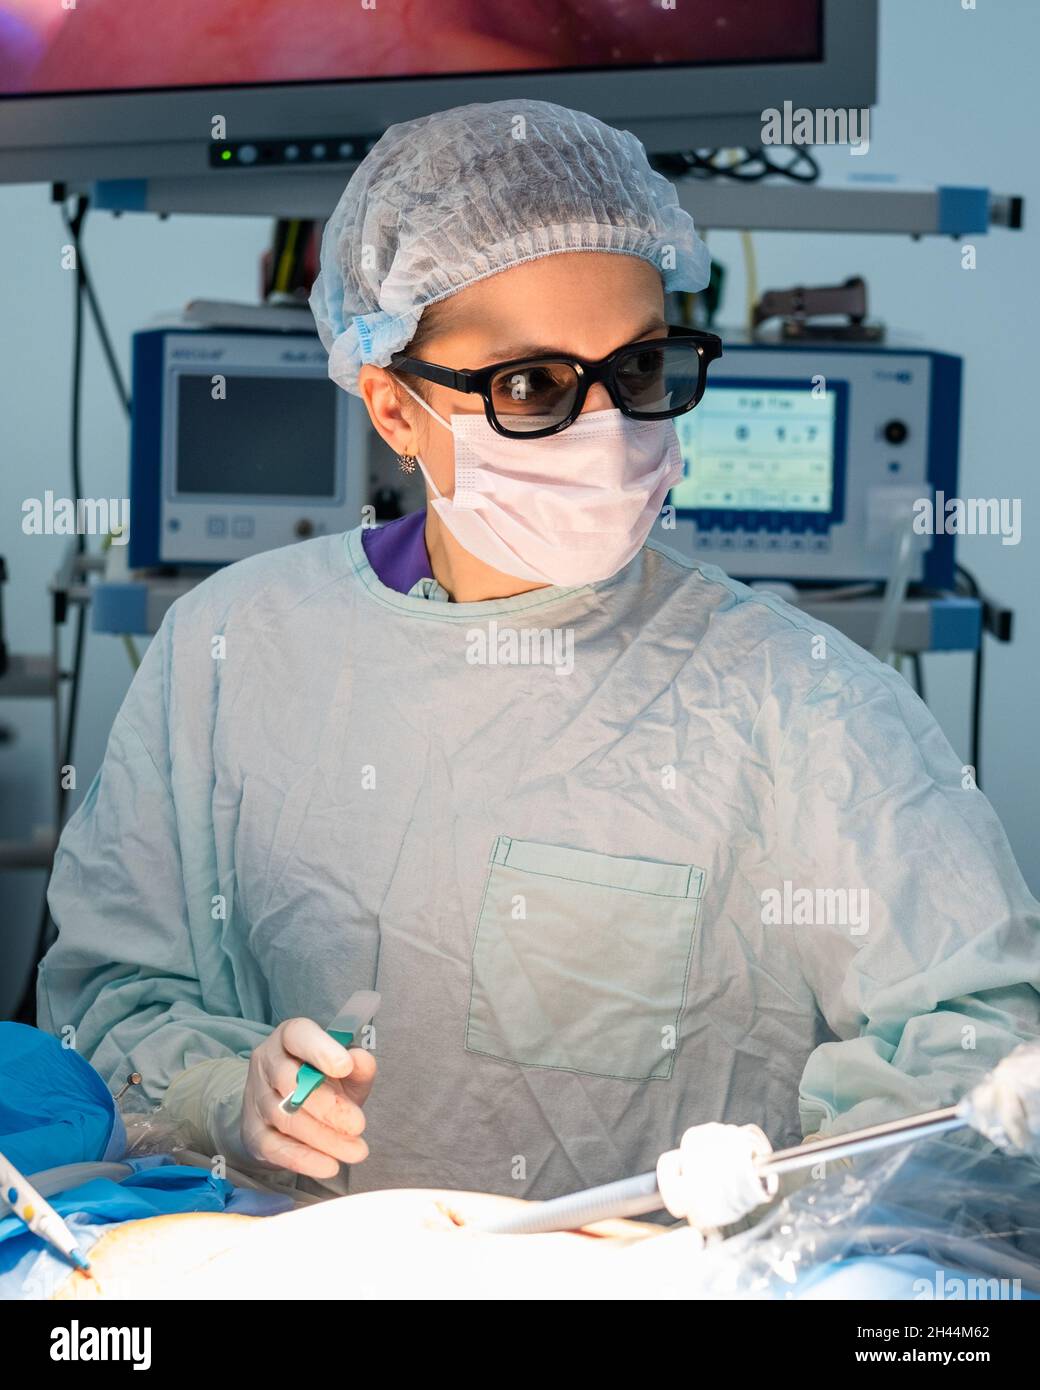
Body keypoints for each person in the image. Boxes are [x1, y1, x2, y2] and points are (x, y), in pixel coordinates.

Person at [37, 100, 1040, 1208]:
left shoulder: (798, 701)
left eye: (643, 366)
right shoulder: (229, 651)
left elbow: (982, 1056)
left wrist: (780, 1215)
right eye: (530, 386)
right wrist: (228, 1094)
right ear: (393, 406)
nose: (607, 429)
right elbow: (112, 998)